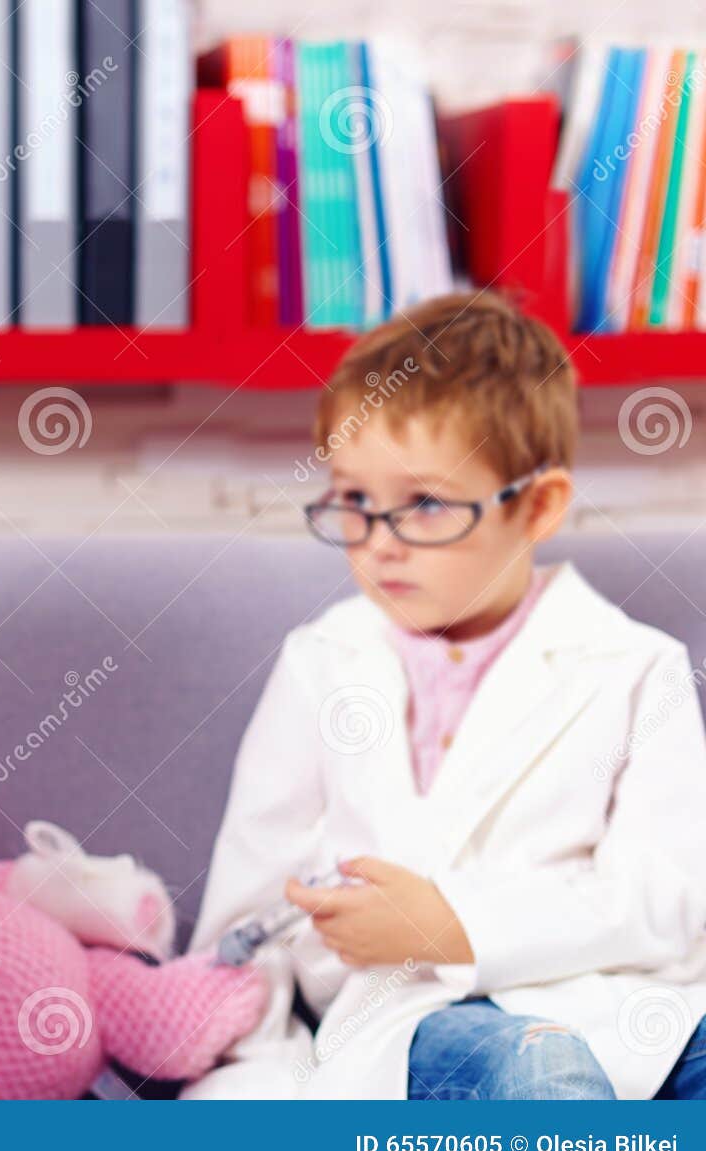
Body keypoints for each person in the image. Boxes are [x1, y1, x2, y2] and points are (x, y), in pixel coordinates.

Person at [183, 291, 706, 1100]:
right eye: (355, 502)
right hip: (430, 1024)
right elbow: (245, 928)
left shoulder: (638, 667)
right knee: (537, 1069)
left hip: (637, 1011)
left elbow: (669, 907)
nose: (381, 543)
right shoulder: (321, 663)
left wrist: (452, 924)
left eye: (424, 503)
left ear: (537, 506)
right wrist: (259, 1083)